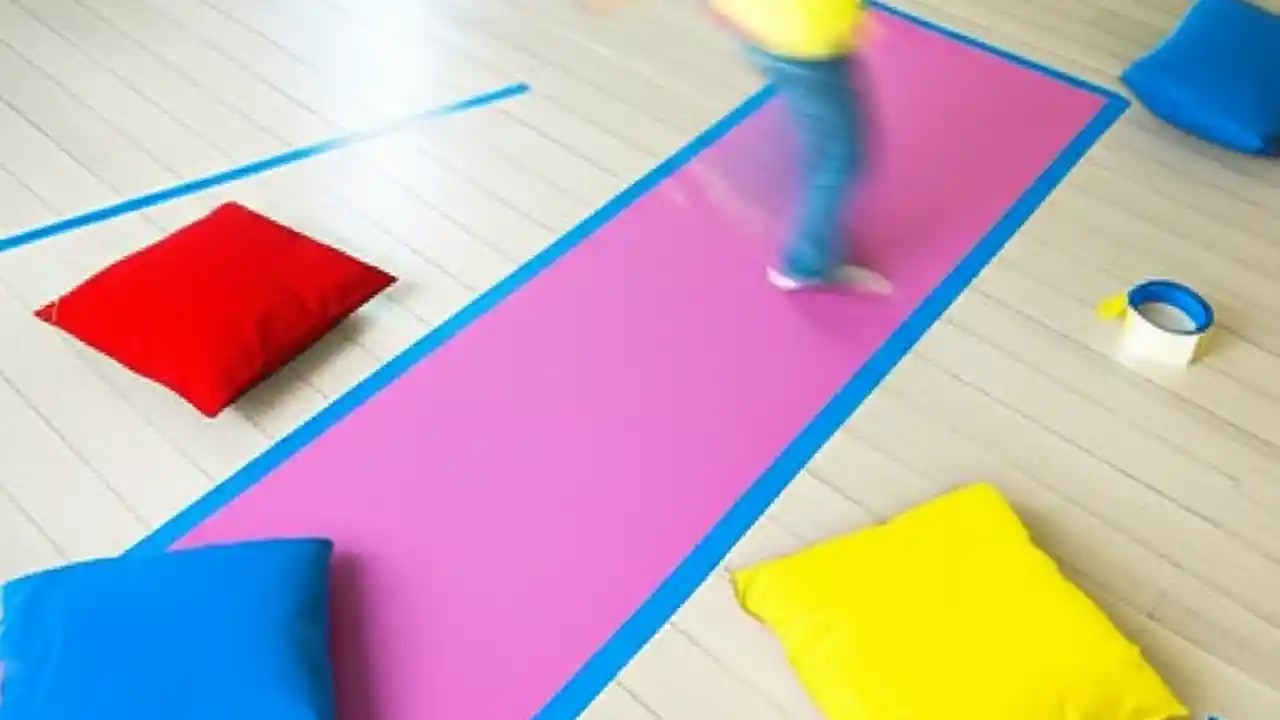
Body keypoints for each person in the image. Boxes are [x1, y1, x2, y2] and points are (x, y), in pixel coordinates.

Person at [587, 0, 891, 294]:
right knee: (843, 154)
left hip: (770, 30)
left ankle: (810, 238)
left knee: (825, 127)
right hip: (800, 44)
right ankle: (806, 264)